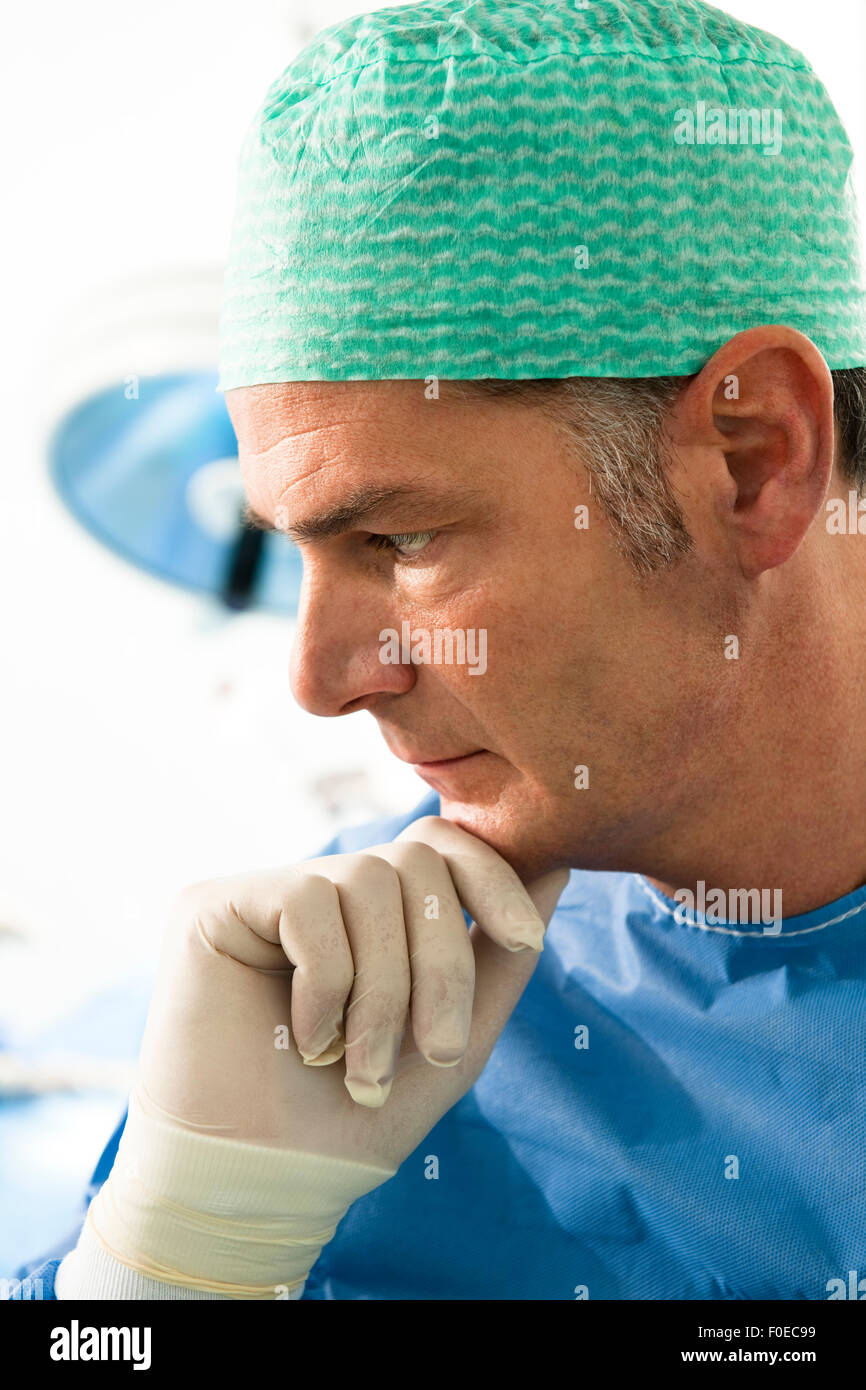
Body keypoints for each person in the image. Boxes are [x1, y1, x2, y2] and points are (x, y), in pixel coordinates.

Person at [9, 0, 866, 1300]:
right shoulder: (364, 1017)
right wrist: (171, 1261)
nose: (319, 676)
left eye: (398, 538)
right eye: (293, 552)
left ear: (753, 461)